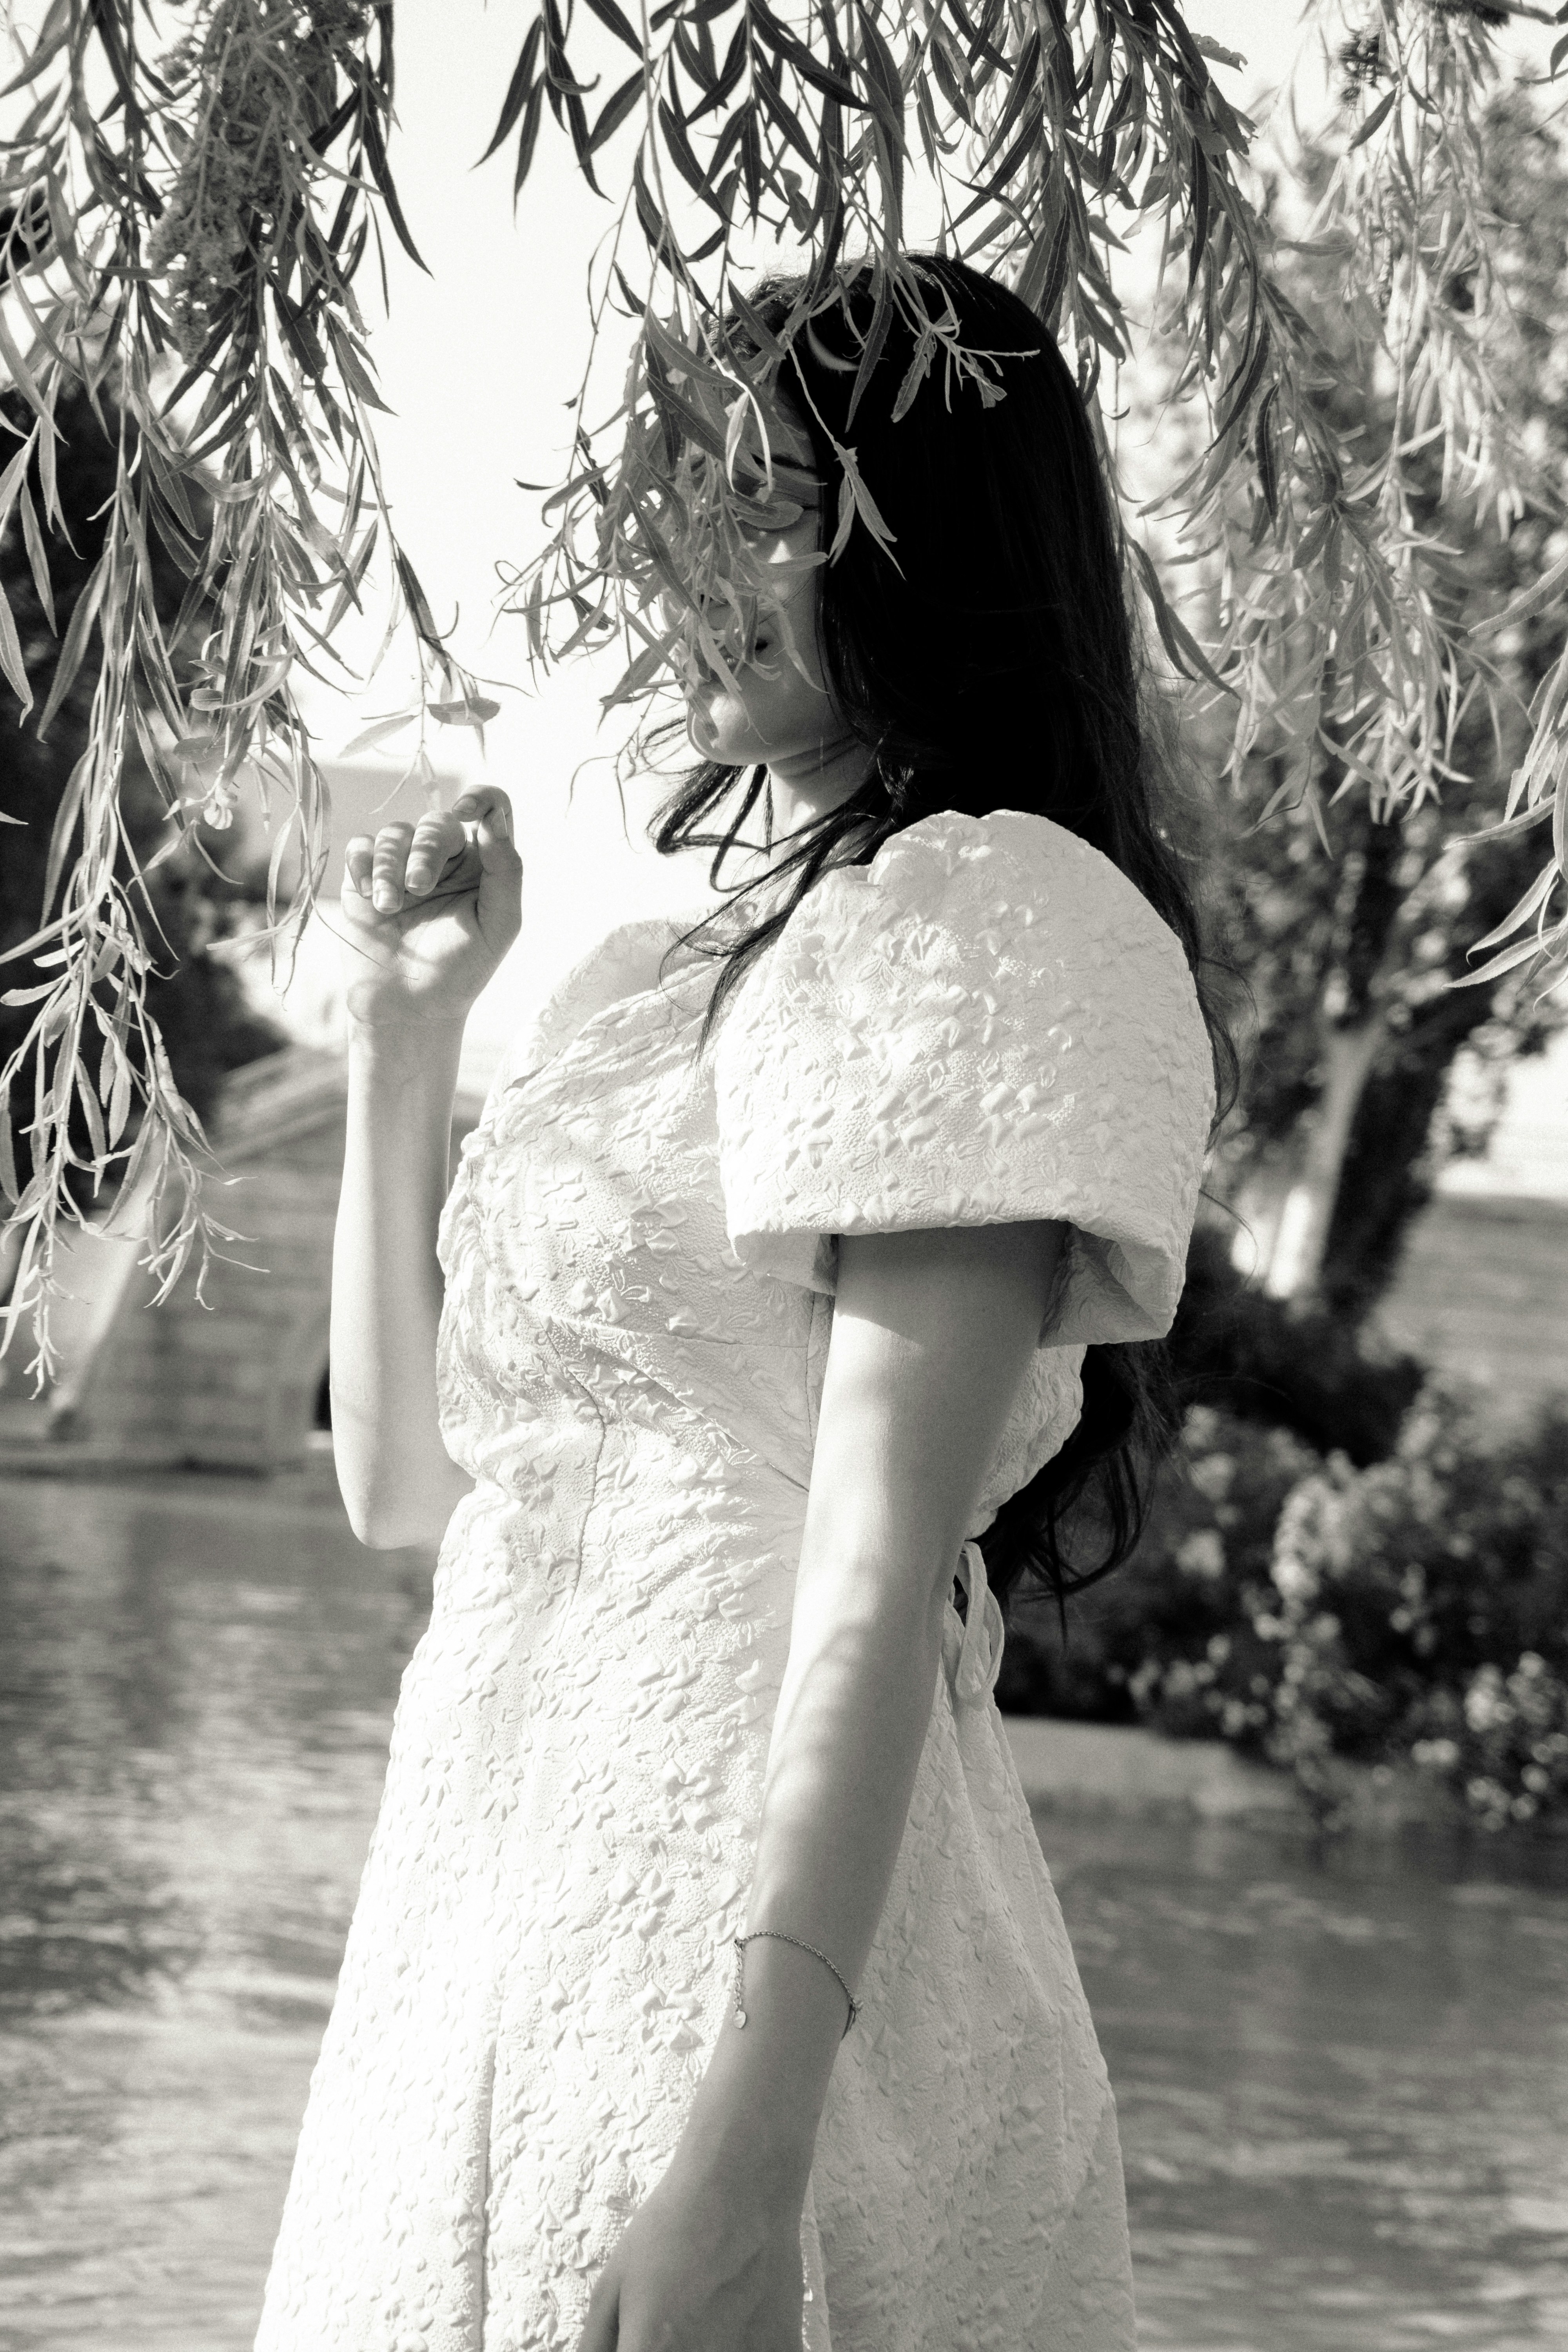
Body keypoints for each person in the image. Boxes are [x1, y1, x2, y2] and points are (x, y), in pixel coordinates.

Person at [254, 254, 1225, 2352]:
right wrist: (410, 1040)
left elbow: (868, 1582)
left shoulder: (982, 922)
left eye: (766, 497)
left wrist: (746, 2150)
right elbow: (417, 1499)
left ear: (925, 541)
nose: (698, 556)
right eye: (681, 499)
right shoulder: (638, 997)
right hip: (477, 1940)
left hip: (760, 2003)